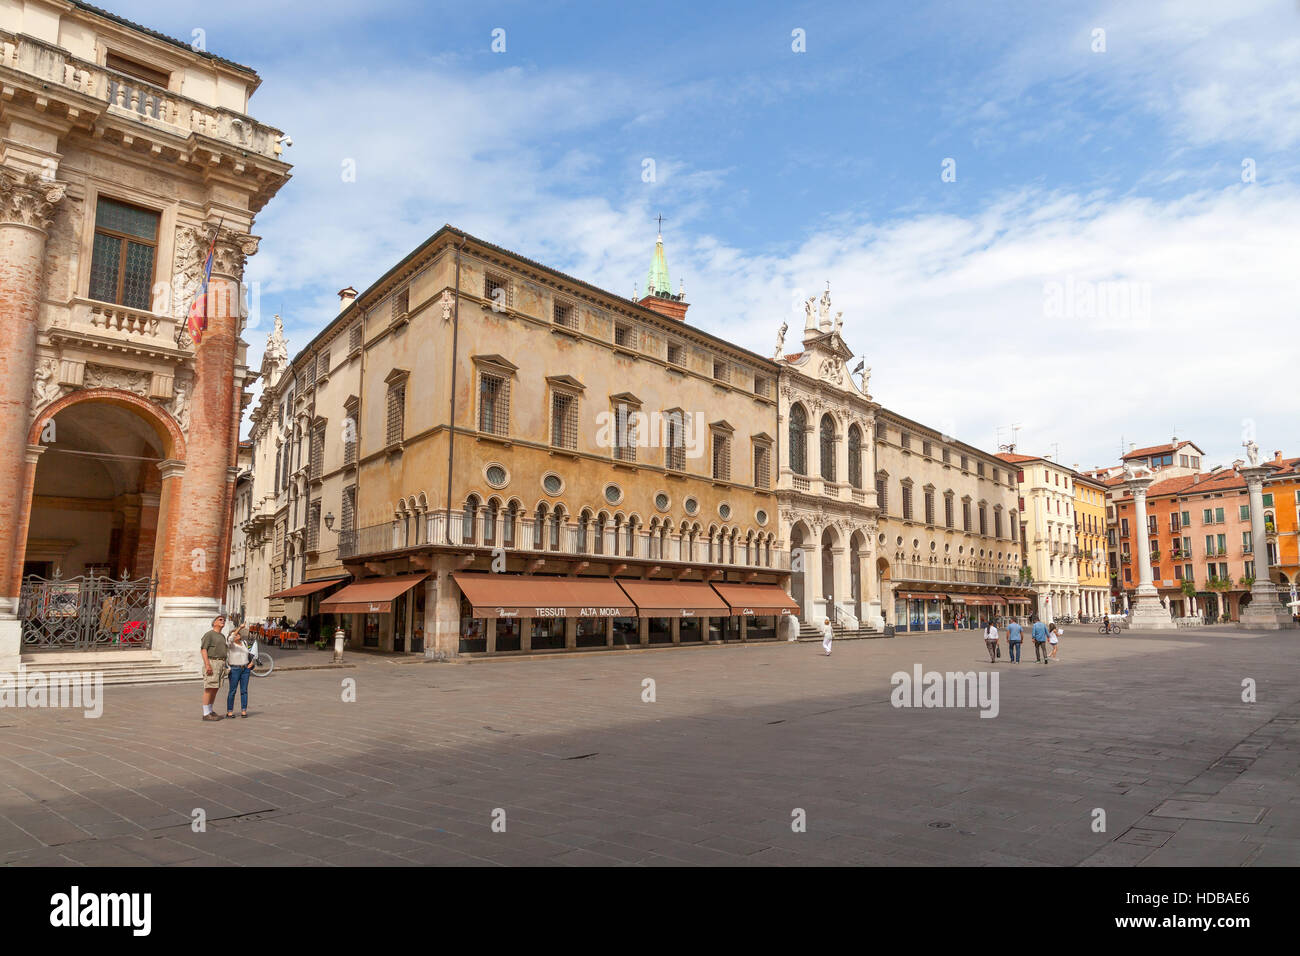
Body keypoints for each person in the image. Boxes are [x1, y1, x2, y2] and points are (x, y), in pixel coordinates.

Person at [200, 615, 229, 721]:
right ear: (214, 623)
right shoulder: (209, 635)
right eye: (220, 620)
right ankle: (205, 713)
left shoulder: (222, 636)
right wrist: (207, 664)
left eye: (224, 620)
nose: (223, 621)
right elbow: (203, 649)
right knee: (209, 688)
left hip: (221, 663)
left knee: (215, 688)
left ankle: (210, 710)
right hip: (212, 662)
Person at [225, 624, 253, 718]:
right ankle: (229, 711)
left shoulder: (244, 643)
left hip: (245, 669)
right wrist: (239, 628)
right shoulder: (231, 645)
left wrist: (251, 663)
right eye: (234, 634)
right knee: (232, 691)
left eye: (238, 634)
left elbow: (250, 653)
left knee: (244, 690)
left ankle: (244, 710)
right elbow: (230, 639)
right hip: (234, 669)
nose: (237, 635)